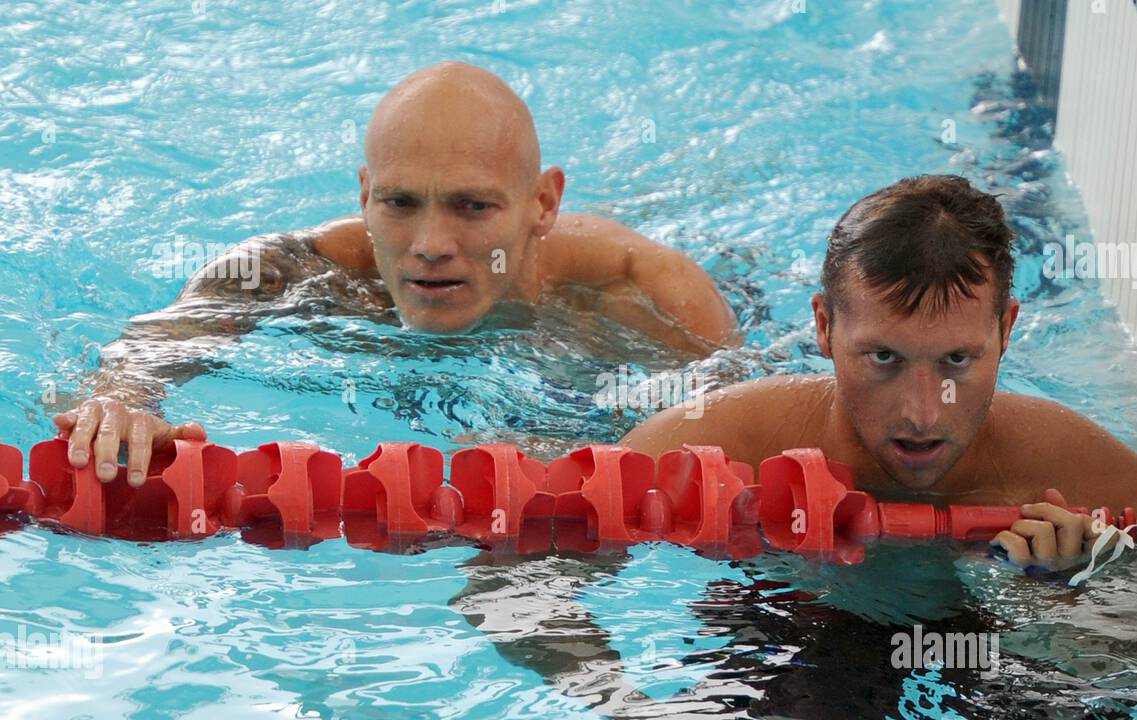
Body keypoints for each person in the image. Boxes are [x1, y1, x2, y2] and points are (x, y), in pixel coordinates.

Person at [52, 61, 738, 488]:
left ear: (543, 204)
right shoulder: (307, 272)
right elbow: (157, 345)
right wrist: (122, 401)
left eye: (473, 206)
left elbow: (739, 426)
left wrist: (579, 447)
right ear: (363, 197)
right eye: (401, 203)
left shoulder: (644, 294)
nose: (430, 245)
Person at [621, 175, 1137, 573]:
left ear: (1007, 331)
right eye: (884, 358)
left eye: (957, 361)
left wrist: (1065, 596)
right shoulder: (713, 447)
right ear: (823, 327)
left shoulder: (1091, 480)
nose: (923, 413)